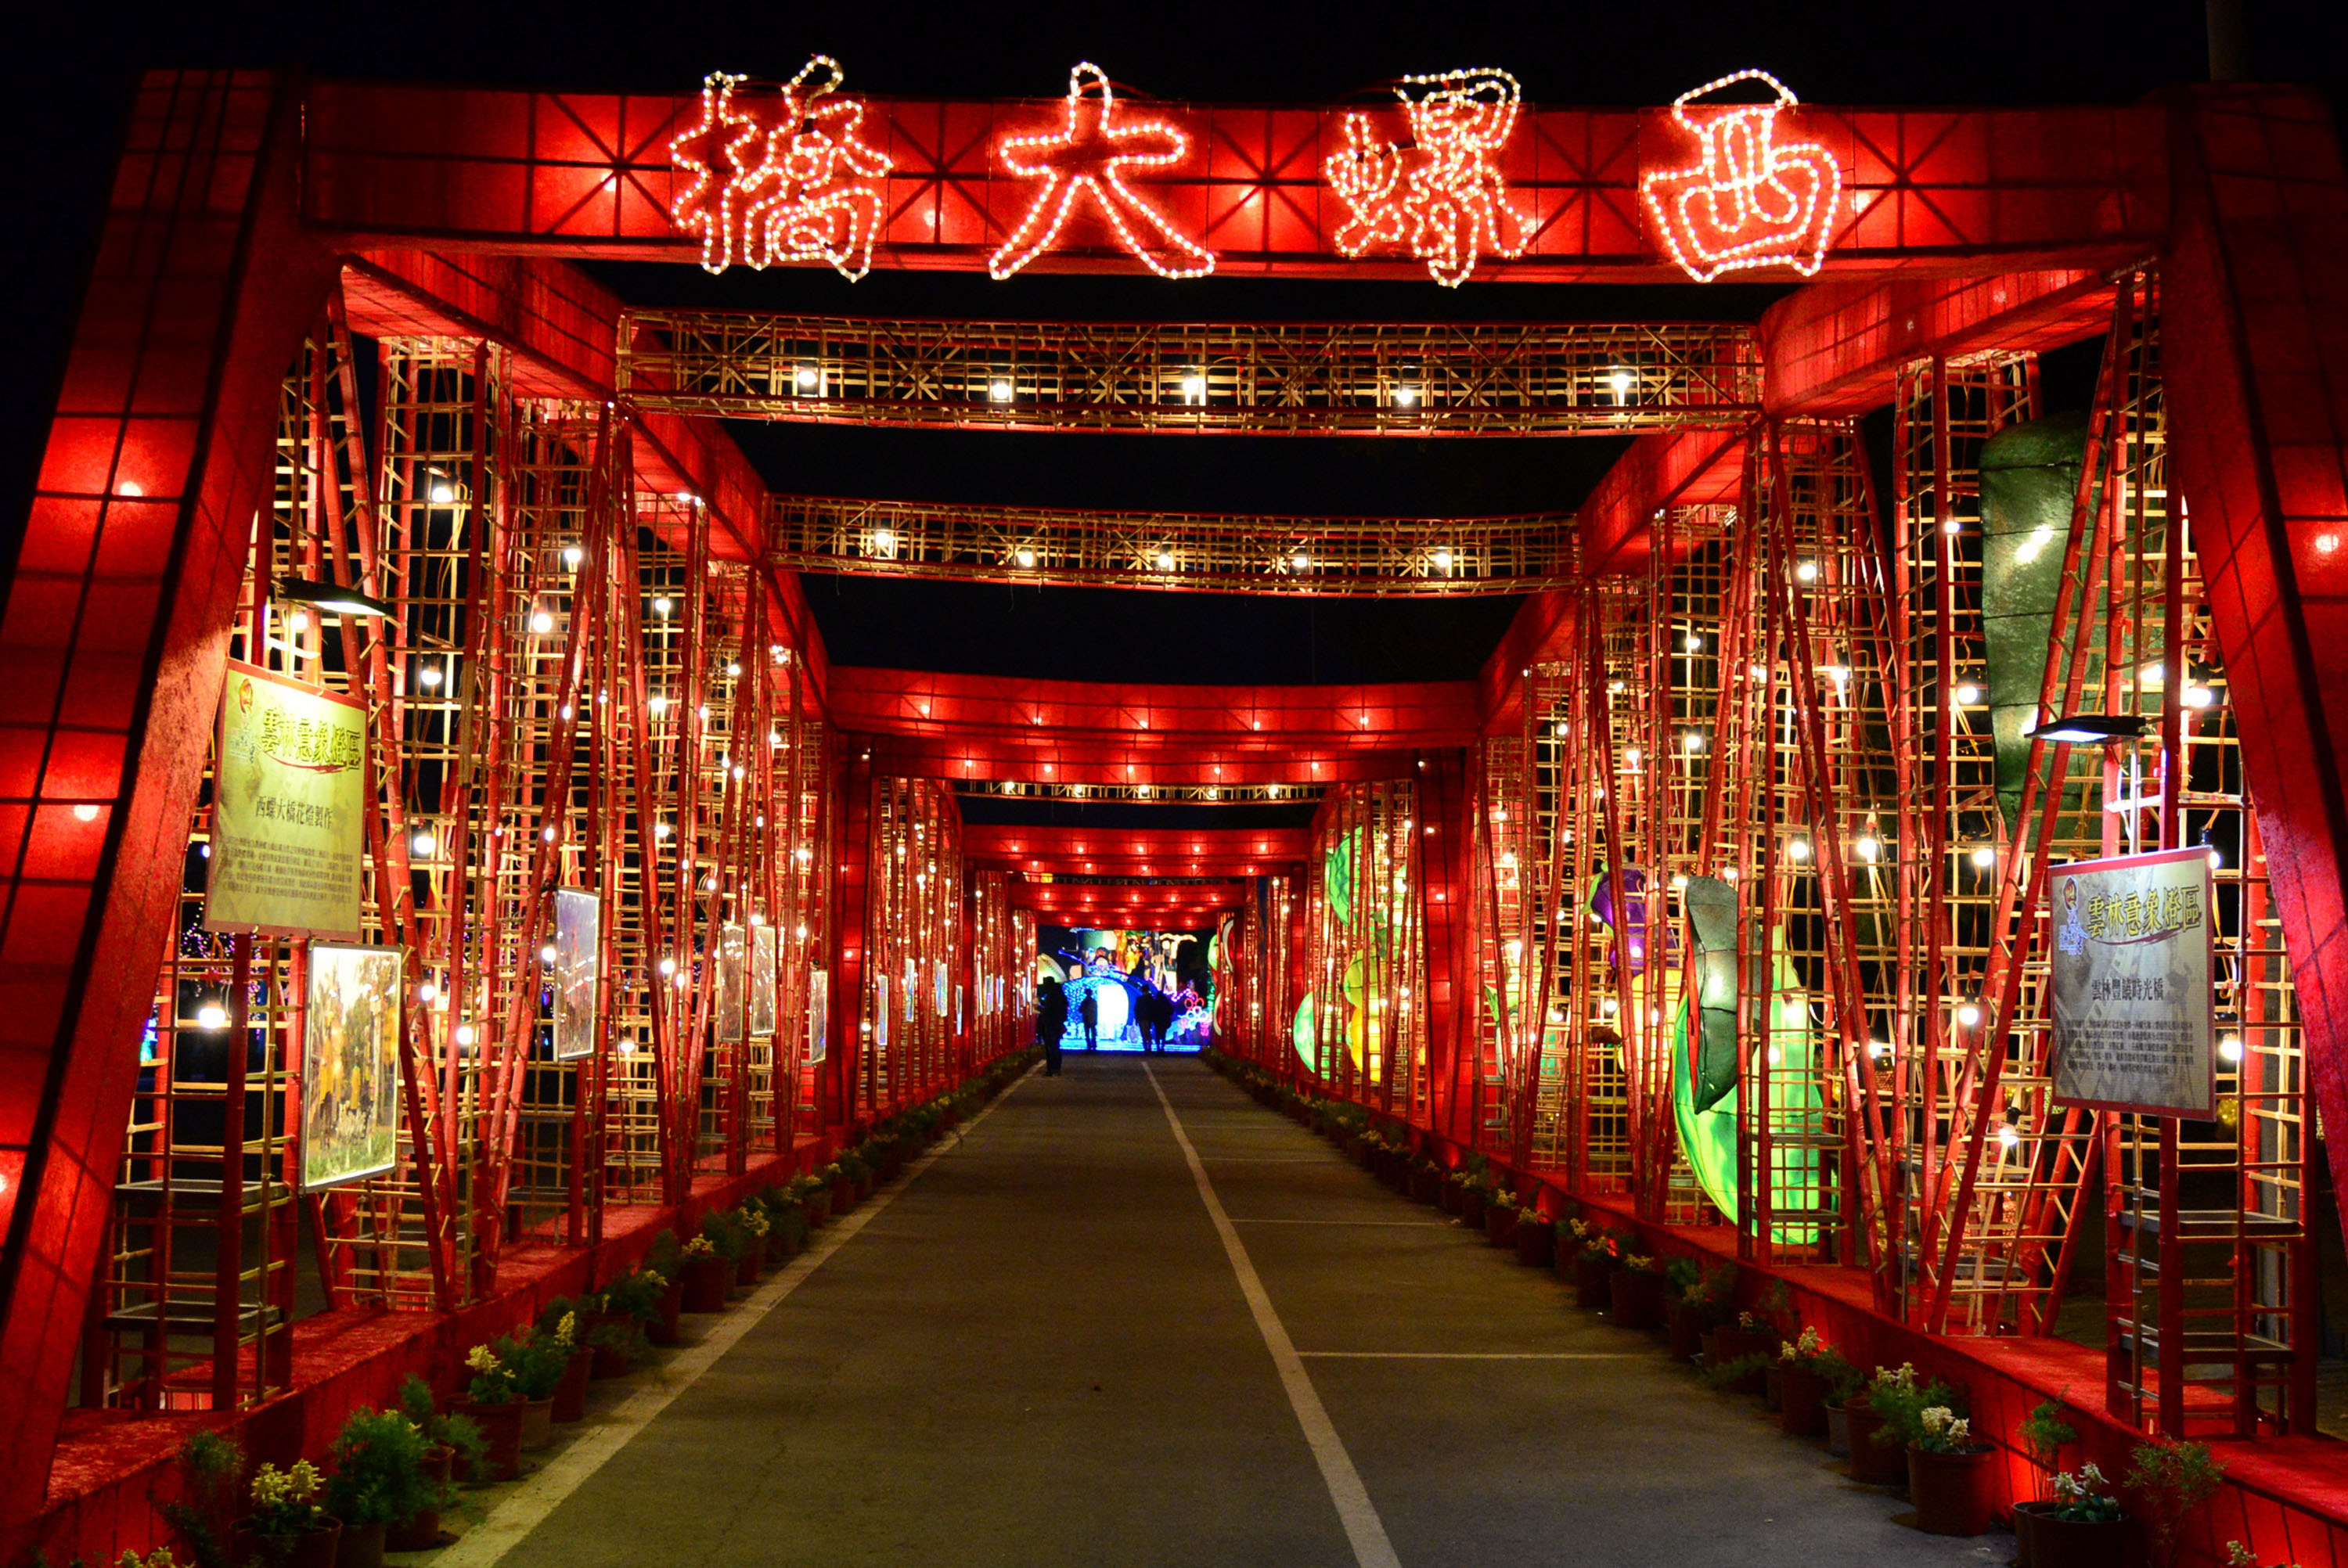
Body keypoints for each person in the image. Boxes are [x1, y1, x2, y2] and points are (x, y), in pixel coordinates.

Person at [1036, 976, 1068, 1076]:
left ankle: (1051, 1069)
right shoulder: (1059, 996)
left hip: (1051, 1025)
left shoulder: (1051, 996)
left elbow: (1048, 1011)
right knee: (1056, 1046)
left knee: (1050, 1047)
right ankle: (1057, 1068)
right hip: (1058, 1024)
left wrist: (1038, 1008)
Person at [1079, 987, 1099, 1052]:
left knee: (1087, 1033)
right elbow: (1095, 1011)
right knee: (1092, 1033)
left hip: (1087, 1019)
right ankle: (1093, 1045)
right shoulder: (1093, 1001)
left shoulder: (1085, 1001)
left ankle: (1089, 1045)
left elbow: (1080, 1010)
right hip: (1092, 1019)